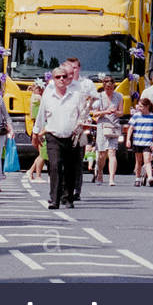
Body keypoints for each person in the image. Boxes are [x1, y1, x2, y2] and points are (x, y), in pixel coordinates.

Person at [32, 66, 79, 209]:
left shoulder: (75, 96)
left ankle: (68, 197)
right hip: (53, 136)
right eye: (58, 77)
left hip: (71, 137)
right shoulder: (48, 96)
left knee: (70, 169)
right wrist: (35, 132)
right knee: (55, 166)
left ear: (68, 79)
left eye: (64, 76)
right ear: (53, 79)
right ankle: (55, 199)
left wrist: (82, 127)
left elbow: (83, 115)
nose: (61, 79)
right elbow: (41, 116)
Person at [62, 57, 95, 202]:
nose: (72, 71)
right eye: (70, 68)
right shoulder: (61, 83)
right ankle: (63, 189)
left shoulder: (86, 84)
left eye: (75, 68)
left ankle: (76, 189)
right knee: (62, 161)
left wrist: (91, 103)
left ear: (79, 69)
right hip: (63, 126)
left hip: (80, 127)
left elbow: (95, 100)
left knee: (77, 160)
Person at [91, 75, 124, 186]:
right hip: (102, 126)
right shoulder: (99, 97)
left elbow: (121, 112)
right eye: (107, 88)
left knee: (112, 152)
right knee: (102, 153)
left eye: (111, 88)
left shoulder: (119, 96)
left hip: (114, 126)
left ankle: (111, 178)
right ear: (104, 87)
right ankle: (100, 172)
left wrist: (115, 112)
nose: (109, 90)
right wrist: (105, 112)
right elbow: (94, 114)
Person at [127, 97, 153, 187]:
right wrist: (128, 139)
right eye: (139, 106)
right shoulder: (136, 116)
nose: (139, 108)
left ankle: (150, 178)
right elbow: (130, 128)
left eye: (141, 106)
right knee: (138, 161)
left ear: (147, 106)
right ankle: (137, 178)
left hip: (147, 142)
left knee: (147, 160)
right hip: (137, 142)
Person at [27, 82, 46, 181]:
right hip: (39, 127)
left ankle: (30, 171)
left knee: (42, 153)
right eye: (42, 89)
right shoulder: (37, 97)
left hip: (37, 125)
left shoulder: (33, 97)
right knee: (42, 153)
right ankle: (36, 175)